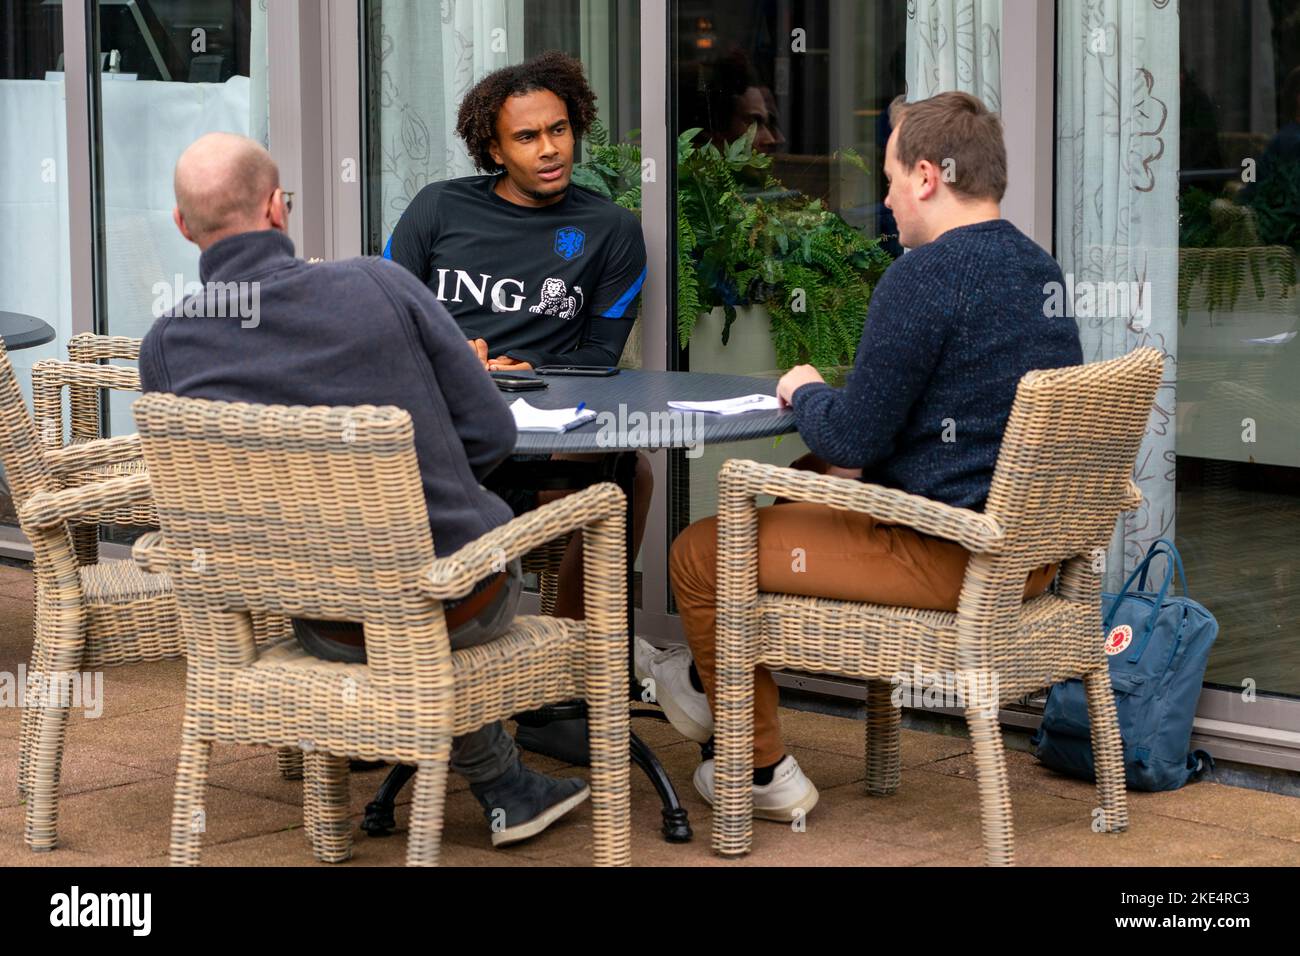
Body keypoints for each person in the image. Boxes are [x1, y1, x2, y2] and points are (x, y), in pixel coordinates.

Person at [640, 91, 1084, 821]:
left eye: (887, 179)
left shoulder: (926, 275)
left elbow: (850, 437)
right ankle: (708, 671)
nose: (884, 200)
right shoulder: (1039, 270)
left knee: (698, 555)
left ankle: (755, 771)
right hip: (1030, 554)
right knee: (802, 483)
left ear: (926, 178)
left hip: (952, 558)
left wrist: (805, 385)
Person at [139, 131, 589, 848]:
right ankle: (509, 782)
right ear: (277, 208)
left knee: (391, 580)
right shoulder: (376, 286)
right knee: (443, 566)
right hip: (458, 603)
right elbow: (492, 436)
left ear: (184, 227)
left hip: (317, 622)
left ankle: (502, 783)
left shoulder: (167, 343)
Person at [384, 50, 652, 625]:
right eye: (526, 137)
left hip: (539, 428)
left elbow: (601, 357)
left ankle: (578, 659)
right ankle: (430, 638)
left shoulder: (612, 231)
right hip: (439, 425)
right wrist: (452, 362)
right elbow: (382, 319)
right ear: (496, 150)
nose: (549, 148)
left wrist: (519, 368)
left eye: (558, 130)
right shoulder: (438, 207)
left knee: (629, 473)